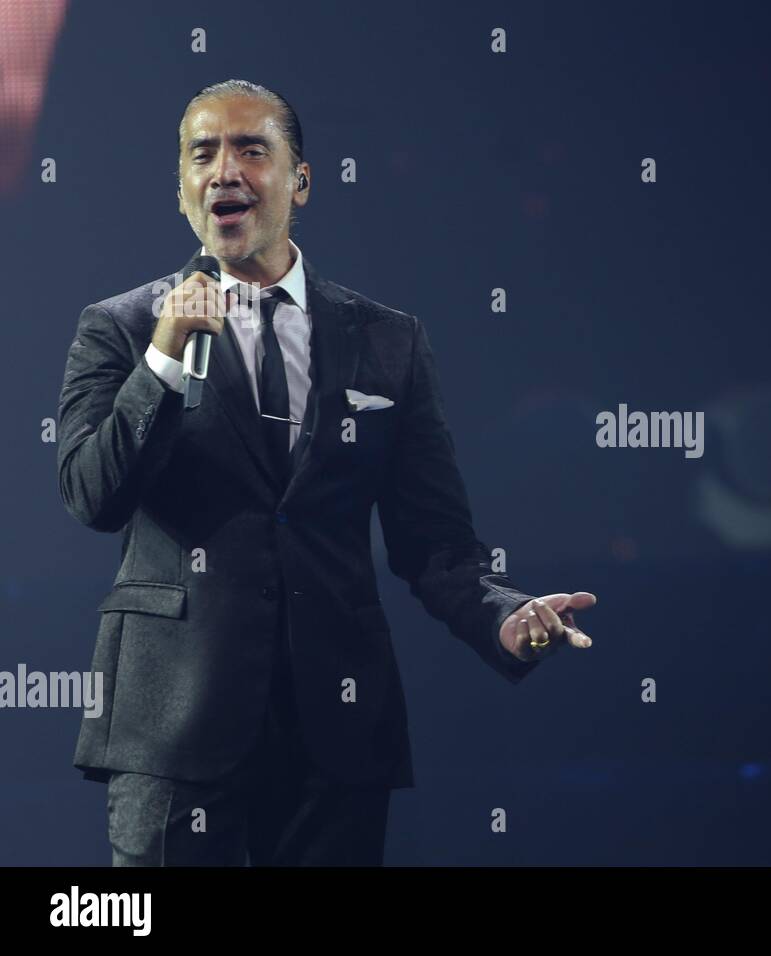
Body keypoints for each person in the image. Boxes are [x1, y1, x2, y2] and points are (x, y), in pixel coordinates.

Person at [56, 78, 597, 866]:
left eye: (251, 150)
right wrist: (162, 362)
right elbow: (91, 495)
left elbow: (434, 544)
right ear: (181, 189)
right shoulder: (122, 327)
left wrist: (504, 615)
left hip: (335, 738)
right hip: (175, 728)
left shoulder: (387, 342)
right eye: (202, 154)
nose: (224, 171)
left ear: (300, 180)